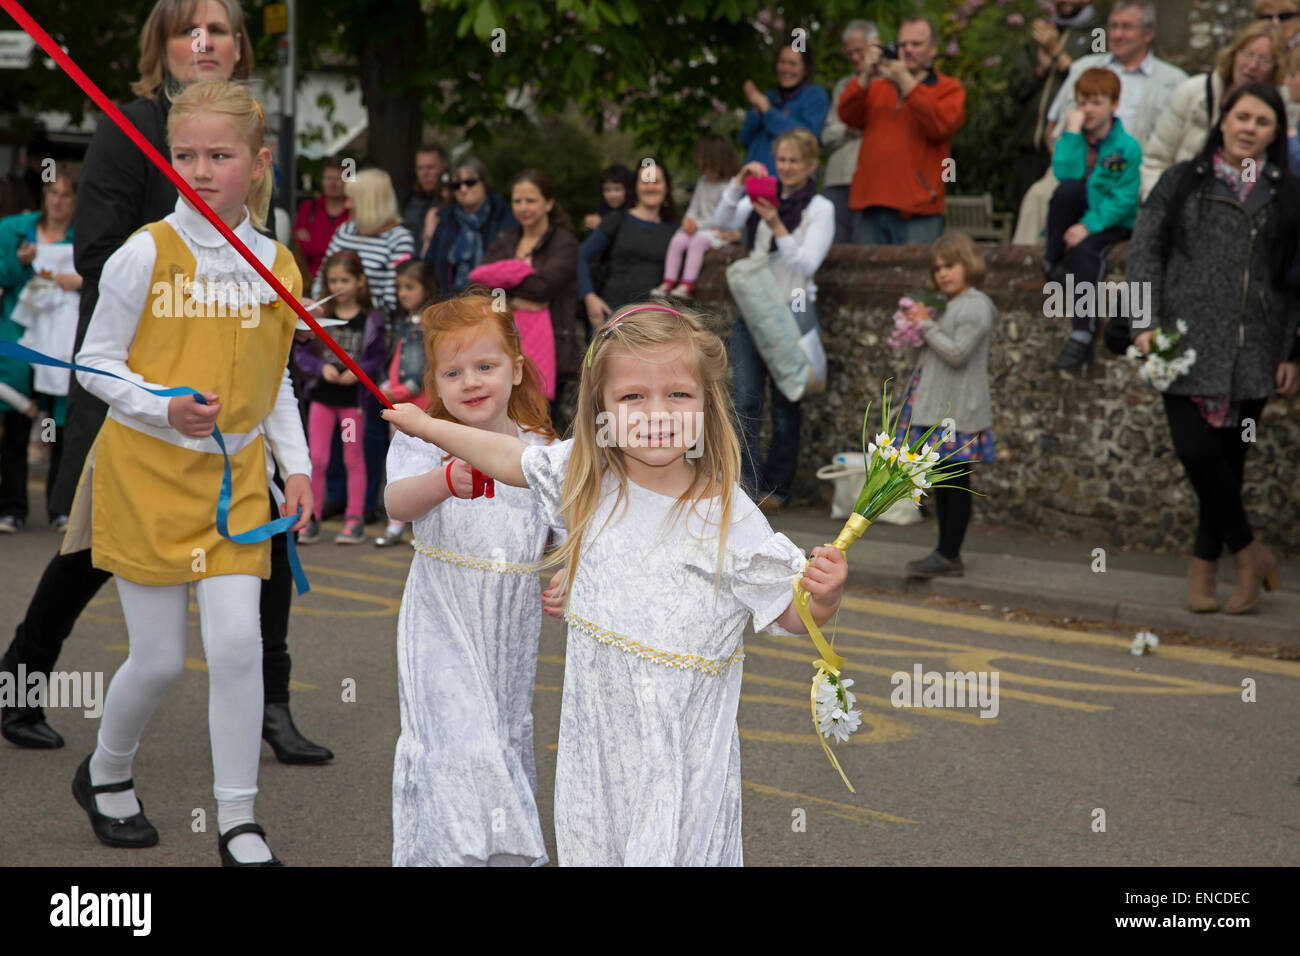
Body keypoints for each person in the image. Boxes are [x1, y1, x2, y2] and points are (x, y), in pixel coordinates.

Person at [382, 302, 849, 865]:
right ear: (600, 409)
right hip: (595, 753)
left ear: (707, 405)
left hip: (682, 762)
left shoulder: (728, 517)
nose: (656, 413)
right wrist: (430, 428)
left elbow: (789, 615)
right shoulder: (587, 479)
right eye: (632, 397)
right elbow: (510, 457)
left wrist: (822, 597)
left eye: (678, 394)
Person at [1, 0, 329, 765]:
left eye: (219, 29)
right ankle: (19, 680)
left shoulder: (245, 136)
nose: (205, 41)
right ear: (165, 46)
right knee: (88, 552)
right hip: (142, 386)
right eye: (189, 29)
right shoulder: (131, 129)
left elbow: (266, 300)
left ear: (242, 47)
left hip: (232, 401)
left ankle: (268, 703)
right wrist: (180, 284)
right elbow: (98, 252)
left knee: (263, 545)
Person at [67, 79, 310, 866]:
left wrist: (297, 468)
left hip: (235, 483)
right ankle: (105, 772)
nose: (199, 170)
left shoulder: (280, 266)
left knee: (239, 644)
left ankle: (238, 821)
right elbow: (94, 365)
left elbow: (275, 380)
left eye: (219, 155)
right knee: (162, 658)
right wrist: (159, 408)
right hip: (146, 475)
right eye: (183, 155)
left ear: (259, 161)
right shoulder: (145, 253)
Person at [1112, 82, 1300, 615]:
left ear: (1276, 133)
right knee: (1197, 454)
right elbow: (1144, 253)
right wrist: (1143, 322)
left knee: (1227, 465)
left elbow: (1294, 283)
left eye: (1262, 122)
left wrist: (1291, 352)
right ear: (1222, 120)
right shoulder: (1181, 181)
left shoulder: (1287, 194)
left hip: (1254, 352)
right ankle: (1250, 553)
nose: (1249, 128)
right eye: (1241, 117)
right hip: (1181, 346)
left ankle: (1205, 571)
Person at [385, 292, 557, 866]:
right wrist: (442, 481)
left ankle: (494, 855)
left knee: (497, 738)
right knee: (461, 744)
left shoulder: (540, 451)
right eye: (453, 371)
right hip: (440, 618)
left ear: (517, 367)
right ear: (435, 379)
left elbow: (568, 528)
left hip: (507, 632)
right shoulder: (421, 434)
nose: (471, 382)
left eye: (486, 366)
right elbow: (397, 502)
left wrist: (566, 573)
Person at [714, 127, 834, 511]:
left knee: (787, 403)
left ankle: (777, 490)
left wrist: (778, 227)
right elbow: (722, 219)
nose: (786, 167)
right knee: (746, 400)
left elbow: (805, 264)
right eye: (781, 159)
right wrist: (737, 183)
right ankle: (748, 488)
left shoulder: (820, 208)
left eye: (794, 161)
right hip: (754, 307)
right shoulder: (759, 199)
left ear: (811, 164)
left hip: (794, 306)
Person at [1016, 1, 1186, 245]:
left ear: (1148, 33)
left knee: (1145, 197)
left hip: (1136, 170)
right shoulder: (1084, 68)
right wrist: (1070, 162)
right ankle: (1025, 271)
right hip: (1077, 164)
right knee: (1038, 195)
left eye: (1127, 27)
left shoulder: (1173, 80)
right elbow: (1052, 129)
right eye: (1113, 26)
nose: (1117, 34)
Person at [894, 233, 995, 578]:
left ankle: (949, 554)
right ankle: (944, 552)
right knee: (942, 481)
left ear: (969, 264)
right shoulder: (948, 305)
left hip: (958, 411)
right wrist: (917, 331)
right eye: (936, 268)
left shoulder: (976, 306)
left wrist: (924, 324)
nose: (942, 274)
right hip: (938, 407)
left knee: (955, 481)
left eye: (950, 266)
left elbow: (956, 353)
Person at [1043, 67, 1142, 370]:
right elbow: (1064, 173)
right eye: (1082, 102)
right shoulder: (1076, 138)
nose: (1087, 110)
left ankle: (1082, 332)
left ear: (1113, 104)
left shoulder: (1126, 148)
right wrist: (1071, 135)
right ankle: (1053, 262)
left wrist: (1088, 226)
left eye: (1096, 103)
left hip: (1110, 220)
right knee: (1065, 192)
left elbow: (1123, 200)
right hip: (1080, 210)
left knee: (1086, 254)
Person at [837, 15, 966, 245]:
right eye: (903, 44)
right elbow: (847, 115)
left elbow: (941, 125)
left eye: (916, 44)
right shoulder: (878, 86)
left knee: (916, 280)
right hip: (871, 205)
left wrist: (905, 82)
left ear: (933, 49)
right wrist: (866, 74)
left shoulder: (950, 89)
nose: (908, 50)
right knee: (868, 280)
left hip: (919, 212)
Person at [0, 166, 81, 533]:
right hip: (22, 339)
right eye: (53, 194)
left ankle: (59, 507)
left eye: (66, 195)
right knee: (17, 424)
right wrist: (20, 264)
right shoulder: (14, 231)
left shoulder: (86, 236)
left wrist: (79, 281)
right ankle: (13, 508)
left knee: (56, 427)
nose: (59, 202)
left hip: (63, 344)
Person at [296, 251, 386, 544]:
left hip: (351, 405)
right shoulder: (320, 315)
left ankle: (355, 517)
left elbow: (376, 358)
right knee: (318, 458)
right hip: (323, 399)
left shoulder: (370, 320)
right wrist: (321, 368)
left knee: (352, 457)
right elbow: (302, 353)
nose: (338, 286)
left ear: (360, 281)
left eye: (345, 280)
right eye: (333, 280)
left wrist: (358, 372)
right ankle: (311, 517)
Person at [474, 168, 580, 408]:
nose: (523, 207)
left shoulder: (564, 243)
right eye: (517, 201)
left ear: (549, 203)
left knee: (542, 426)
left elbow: (542, 288)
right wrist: (514, 300)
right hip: (503, 344)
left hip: (551, 351)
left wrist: (503, 278)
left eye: (531, 200)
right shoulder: (505, 239)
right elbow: (478, 284)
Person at [1140, 22, 1281, 201]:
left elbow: (1258, 169)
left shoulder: (1274, 109)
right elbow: (1156, 159)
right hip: (1176, 202)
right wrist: (1160, 207)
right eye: (1247, 54)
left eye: (1264, 60)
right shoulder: (1193, 93)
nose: (1252, 65)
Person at [1007, 2, 1107, 207]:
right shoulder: (1042, 34)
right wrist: (1041, 71)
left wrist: (1056, 51)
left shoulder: (1099, 33)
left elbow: (1097, 85)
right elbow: (1015, 88)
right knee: (1024, 218)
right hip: (1030, 148)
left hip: (1072, 150)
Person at [374, 258, 438, 547]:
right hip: (398, 404)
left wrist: (395, 393)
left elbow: (424, 371)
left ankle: (422, 525)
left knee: (425, 462)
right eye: (400, 287)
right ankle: (396, 522)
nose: (403, 293)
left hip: (419, 404)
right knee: (398, 461)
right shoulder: (404, 321)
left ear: (426, 288)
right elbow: (396, 361)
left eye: (410, 287)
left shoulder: (429, 323)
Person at [578, 159, 677, 330]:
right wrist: (589, 298)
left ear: (667, 186)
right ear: (636, 187)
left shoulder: (675, 230)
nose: (650, 187)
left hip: (654, 322)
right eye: (645, 181)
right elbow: (580, 257)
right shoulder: (617, 220)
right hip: (612, 316)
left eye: (656, 181)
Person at [312, 167, 413, 316]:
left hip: (372, 328)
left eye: (352, 199)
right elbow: (321, 280)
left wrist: (352, 309)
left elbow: (393, 300)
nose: (347, 205)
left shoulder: (399, 239)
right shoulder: (345, 230)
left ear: (371, 204)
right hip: (331, 321)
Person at [651, 133, 740, 298]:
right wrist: (688, 220)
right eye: (703, 168)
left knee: (697, 242)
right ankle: (669, 281)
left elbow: (722, 218)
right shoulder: (703, 182)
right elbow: (694, 207)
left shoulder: (730, 186)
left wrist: (697, 225)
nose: (705, 172)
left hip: (715, 231)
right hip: (698, 227)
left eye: (709, 167)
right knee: (678, 239)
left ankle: (687, 283)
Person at [424, 157, 517, 296]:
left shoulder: (503, 217)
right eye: (456, 185)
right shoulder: (445, 220)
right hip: (451, 305)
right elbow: (430, 267)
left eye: (470, 182)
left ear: (484, 182)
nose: (463, 189)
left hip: (495, 303)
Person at [822, 20, 879, 245]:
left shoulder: (890, 83)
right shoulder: (843, 86)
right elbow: (827, 135)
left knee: (864, 251)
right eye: (850, 53)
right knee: (833, 250)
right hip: (837, 182)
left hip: (872, 182)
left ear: (874, 46)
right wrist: (848, 129)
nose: (855, 58)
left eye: (859, 51)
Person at [739, 42, 830, 177]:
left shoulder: (814, 95)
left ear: (805, 69)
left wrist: (768, 112)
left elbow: (807, 137)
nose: (786, 69)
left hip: (791, 187)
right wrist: (756, 112)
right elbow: (744, 140)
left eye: (793, 64)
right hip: (756, 183)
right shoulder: (768, 97)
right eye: (782, 62)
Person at [292, 158, 349, 279]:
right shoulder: (308, 209)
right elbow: (300, 249)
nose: (332, 183)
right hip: (311, 280)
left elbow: (353, 252)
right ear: (322, 181)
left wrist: (315, 245)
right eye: (328, 178)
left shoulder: (352, 210)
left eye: (337, 179)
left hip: (345, 279)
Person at [398, 143, 448, 245]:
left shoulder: (453, 201)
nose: (425, 173)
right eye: (420, 168)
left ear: (444, 167)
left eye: (431, 167)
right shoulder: (405, 199)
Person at [582, 164, 633, 233]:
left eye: (617, 189)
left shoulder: (634, 212)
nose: (612, 195)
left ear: (627, 190)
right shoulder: (603, 210)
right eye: (607, 190)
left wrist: (602, 226)